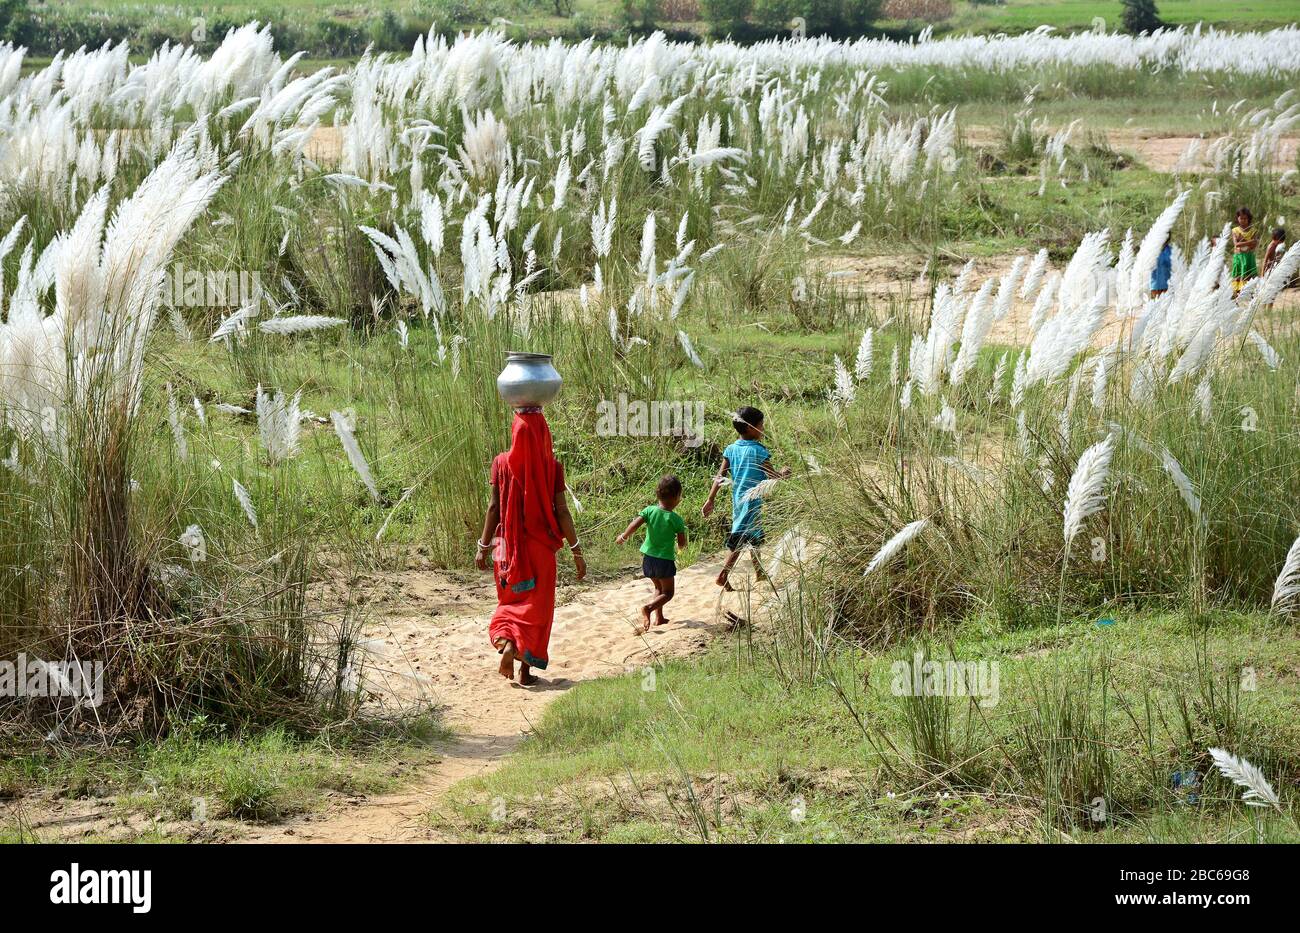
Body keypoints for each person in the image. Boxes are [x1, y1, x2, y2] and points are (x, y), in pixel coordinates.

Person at [475, 407, 585, 686]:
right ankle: (525, 672)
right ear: (543, 434)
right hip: (540, 548)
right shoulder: (553, 467)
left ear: (514, 433)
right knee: (536, 611)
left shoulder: (500, 463)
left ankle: (506, 641)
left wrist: (483, 545)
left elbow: (493, 508)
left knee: (509, 601)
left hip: (504, 546)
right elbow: (562, 512)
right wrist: (576, 550)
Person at [702, 406, 790, 590]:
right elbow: (772, 476)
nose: (763, 428)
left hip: (738, 500)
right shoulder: (759, 451)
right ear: (750, 428)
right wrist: (784, 473)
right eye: (761, 425)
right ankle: (723, 574)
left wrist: (711, 499)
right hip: (752, 500)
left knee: (753, 536)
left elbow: (720, 477)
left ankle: (759, 572)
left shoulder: (731, 449)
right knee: (741, 538)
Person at [616, 474, 687, 634]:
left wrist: (623, 536)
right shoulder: (676, 519)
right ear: (677, 497)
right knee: (668, 592)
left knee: (658, 587)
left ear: (658, 494)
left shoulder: (649, 510)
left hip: (648, 558)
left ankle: (659, 618)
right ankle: (648, 609)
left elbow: (634, 525)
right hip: (664, 560)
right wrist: (682, 548)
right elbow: (682, 542)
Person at [1231, 207, 1259, 296]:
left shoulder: (1253, 230)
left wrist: (1242, 241)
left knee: (1249, 276)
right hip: (1239, 257)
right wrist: (1250, 241)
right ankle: (1236, 297)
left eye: (1245, 218)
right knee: (1238, 276)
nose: (1243, 220)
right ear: (1237, 218)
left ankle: (1250, 295)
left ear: (1248, 218)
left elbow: (1255, 245)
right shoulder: (1235, 230)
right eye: (1241, 218)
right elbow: (1236, 245)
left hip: (1249, 257)